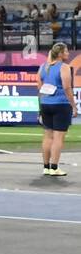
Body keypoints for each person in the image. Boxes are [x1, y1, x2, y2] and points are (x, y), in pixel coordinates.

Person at [37, 42, 76, 176]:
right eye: (66, 51)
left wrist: (41, 107)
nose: (68, 53)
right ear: (60, 54)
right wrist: (74, 105)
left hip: (45, 103)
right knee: (59, 137)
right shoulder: (64, 67)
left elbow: (39, 87)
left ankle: (46, 167)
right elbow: (67, 88)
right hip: (60, 104)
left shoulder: (43, 67)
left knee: (48, 136)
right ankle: (54, 167)